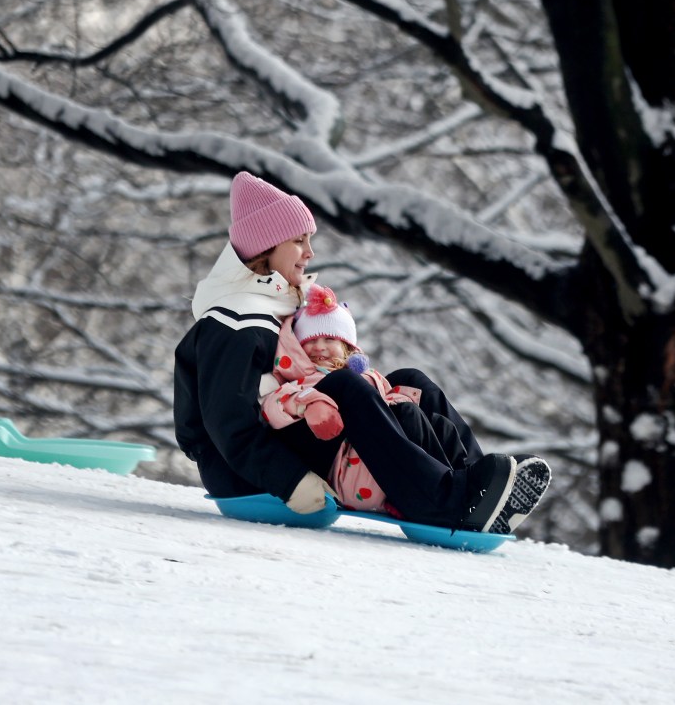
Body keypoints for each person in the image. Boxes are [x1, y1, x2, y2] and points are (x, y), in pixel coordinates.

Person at [173, 171, 551, 535]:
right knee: (343, 385)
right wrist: (289, 480)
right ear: (266, 247)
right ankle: (446, 502)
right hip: (242, 471)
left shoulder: (276, 306)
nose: (310, 252)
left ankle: (475, 484)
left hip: (284, 436)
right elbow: (226, 422)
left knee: (410, 382)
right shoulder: (233, 321)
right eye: (299, 241)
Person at [259, 283, 481, 519]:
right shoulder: (299, 378)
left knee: (415, 395)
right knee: (394, 407)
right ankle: (445, 497)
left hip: (373, 462)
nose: (319, 347)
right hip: (345, 471)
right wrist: (309, 403)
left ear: (346, 348)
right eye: (311, 341)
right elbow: (275, 404)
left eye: (329, 339)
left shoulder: (366, 377)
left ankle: (476, 475)